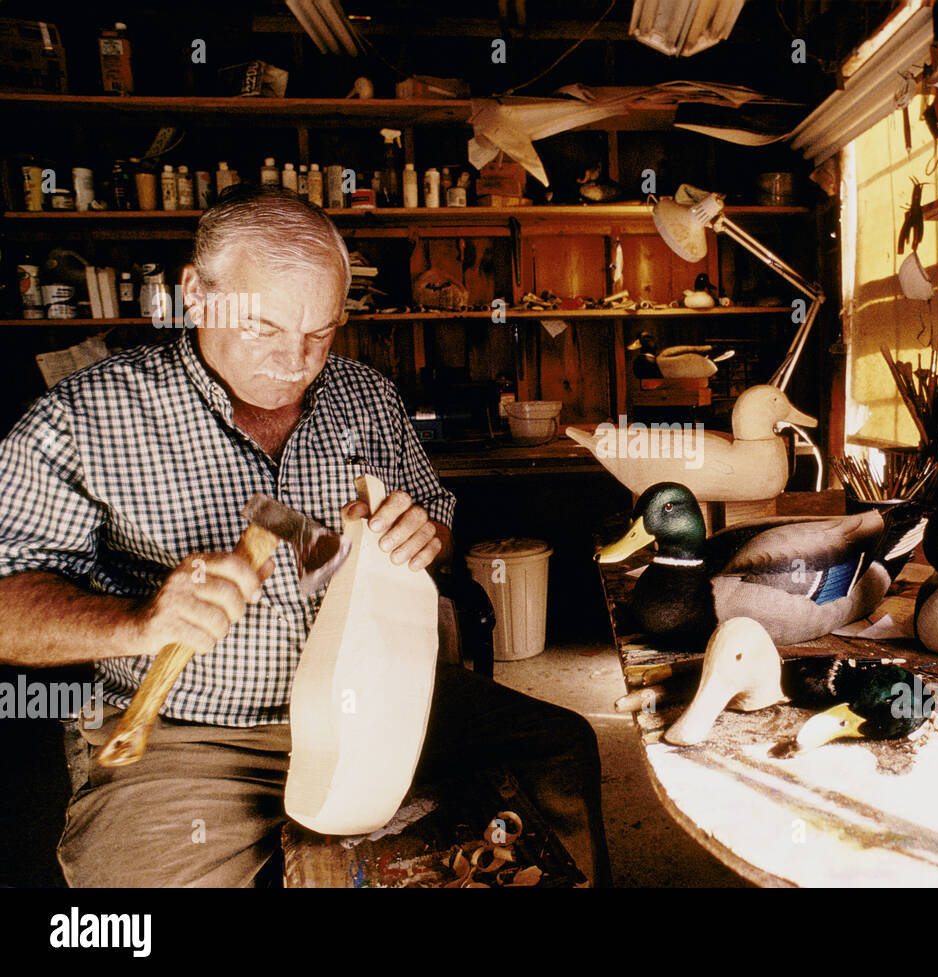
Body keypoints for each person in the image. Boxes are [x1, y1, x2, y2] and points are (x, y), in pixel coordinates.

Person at [0, 184, 609, 887]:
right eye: (263, 327)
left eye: (319, 332)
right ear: (196, 293)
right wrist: (138, 621)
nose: (296, 361)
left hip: (380, 697)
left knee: (559, 747)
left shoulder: (366, 396)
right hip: (191, 733)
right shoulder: (83, 416)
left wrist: (422, 537)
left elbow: (435, 517)